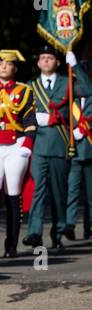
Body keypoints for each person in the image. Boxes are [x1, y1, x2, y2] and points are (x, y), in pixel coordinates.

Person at [24, 43, 89, 250]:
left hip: (61, 145)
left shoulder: (66, 81)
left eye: (50, 58)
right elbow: (22, 112)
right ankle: (34, 232)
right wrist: (36, 118)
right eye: (42, 57)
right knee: (38, 190)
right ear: (38, 62)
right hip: (40, 146)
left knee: (59, 192)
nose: (46, 60)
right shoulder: (30, 86)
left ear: (58, 62)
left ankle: (58, 232)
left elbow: (87, 90)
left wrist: (76, 66)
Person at [0, 50, 36, 259]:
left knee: (13, 193)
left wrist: (28, 143)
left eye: (8, 64)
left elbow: (30, 120)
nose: (3, 66)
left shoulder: (25, 91)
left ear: (15, 68)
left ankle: (11, 244)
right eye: (0, 63)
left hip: (16, 143)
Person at [65, 83, 92, 241]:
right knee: (72, 190)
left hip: (89, 151)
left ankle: (89, 226)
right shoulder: (71, 103)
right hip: (74, 152)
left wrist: (85, 127)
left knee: (90, 194)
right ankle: (70, 224)